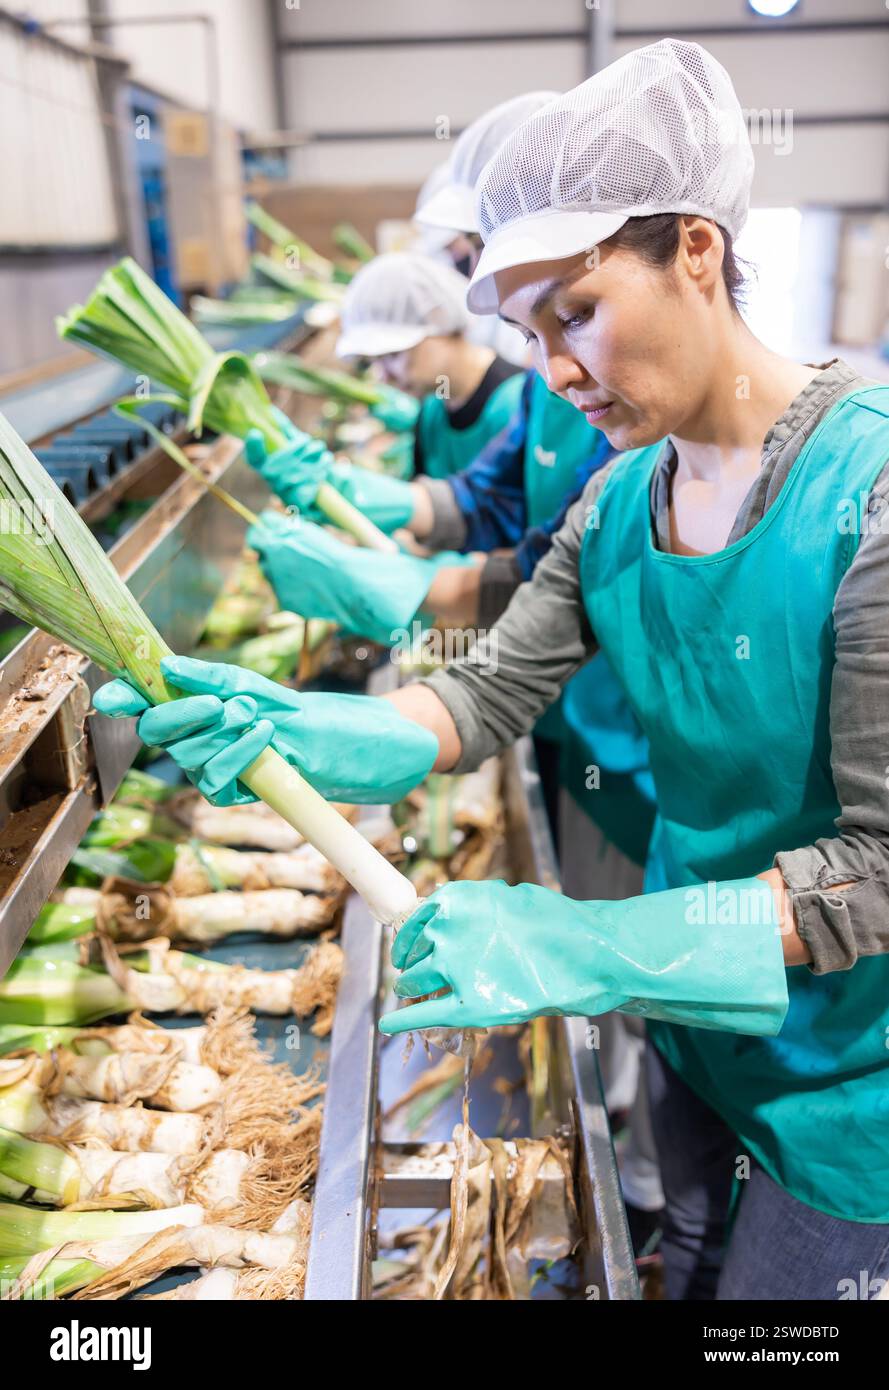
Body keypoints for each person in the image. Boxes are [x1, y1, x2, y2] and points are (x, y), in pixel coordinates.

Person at [93, 38, 889, 1299]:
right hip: (700, 1030)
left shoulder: (869, 494)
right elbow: (484, 689)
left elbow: (879, 875)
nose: (557, 370)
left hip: (854, 1095)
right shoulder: (625, 500)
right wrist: (290, 726)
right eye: (530, 332)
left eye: (576, 312)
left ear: (695, 247)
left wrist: (588, 944)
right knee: (683, 1252)